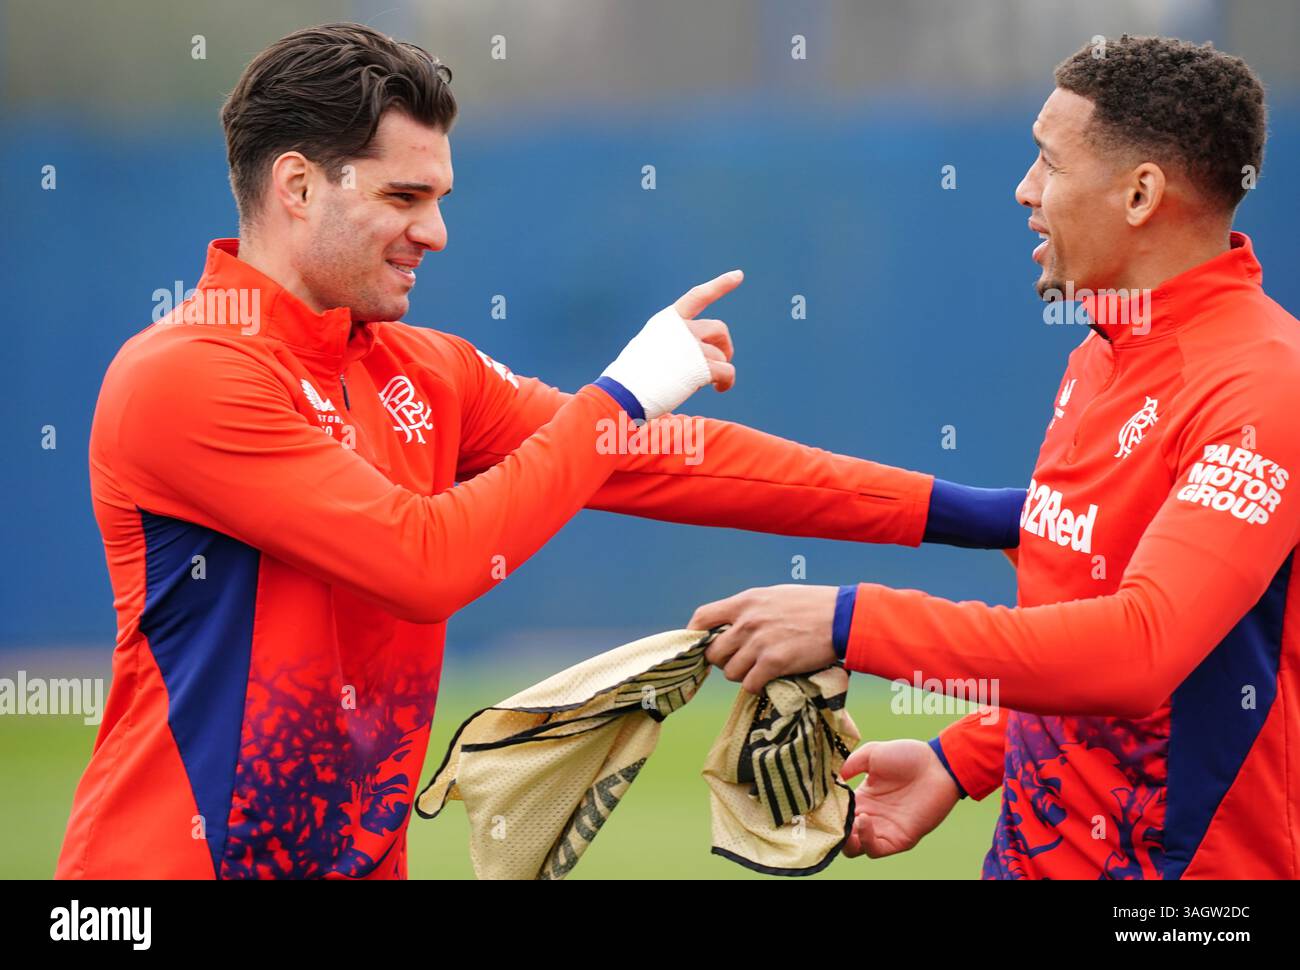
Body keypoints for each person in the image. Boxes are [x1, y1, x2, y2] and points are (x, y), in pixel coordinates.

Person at [56, 22, 939, 879]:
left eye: (440, 199)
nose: (435, 232)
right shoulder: (187, 373)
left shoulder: (422, 369)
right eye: (404, 198)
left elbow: (669, 458)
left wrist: (996, 517)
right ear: (297, 185)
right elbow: (423, 560)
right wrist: (620, 396)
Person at [692, 35, 1299, 879]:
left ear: (1140, 193)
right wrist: (966, 757)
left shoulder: (1265, 387)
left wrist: (847, 621)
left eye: (1049, 163)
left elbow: (1141, 649)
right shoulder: (1104, 351)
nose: (1025, 189)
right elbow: (1077, 597)